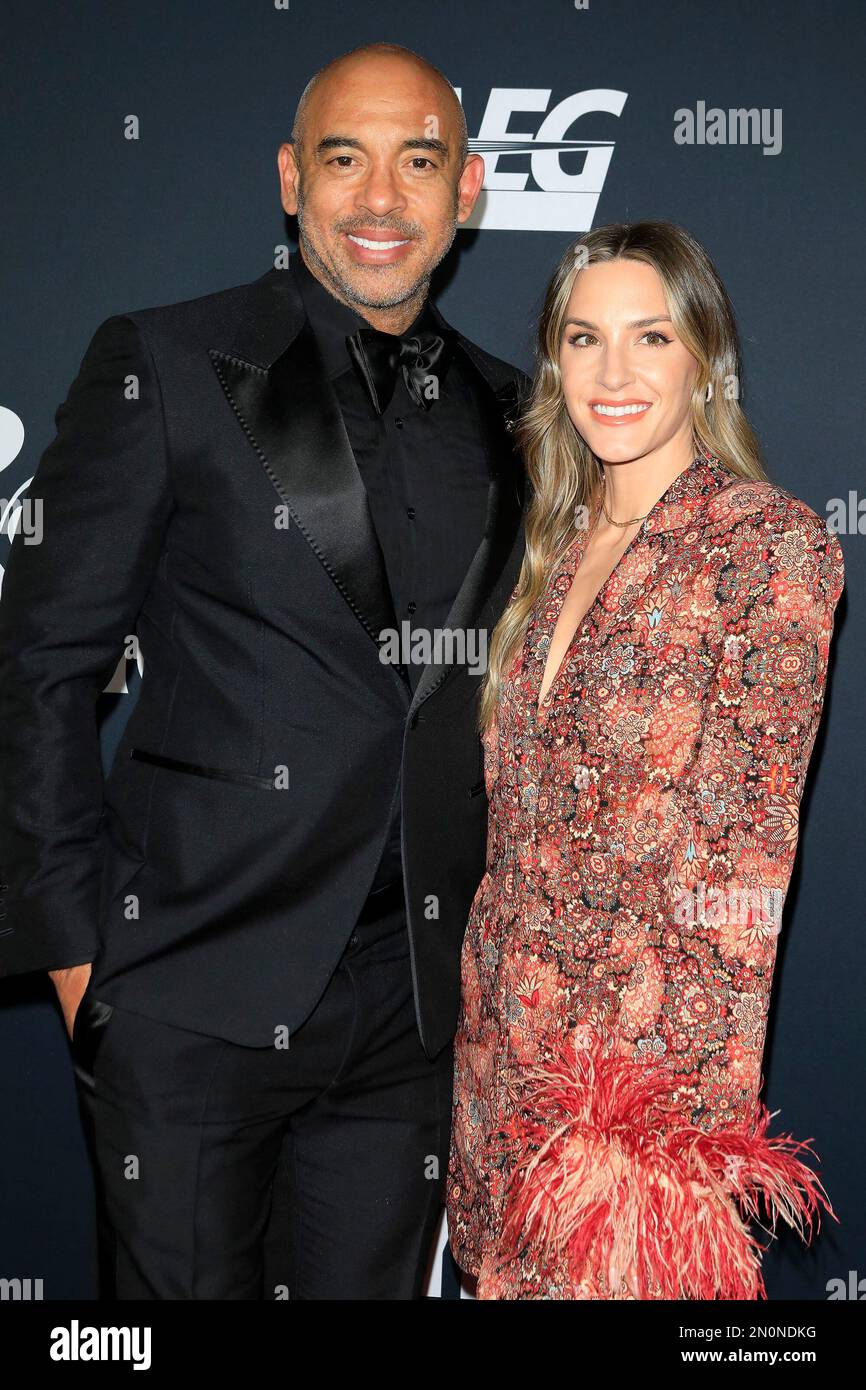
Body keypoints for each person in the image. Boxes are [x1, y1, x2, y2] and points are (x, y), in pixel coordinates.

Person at [0, 42, 529, 1299]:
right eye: (344, 158)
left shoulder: (520, 415)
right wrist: (84, 971)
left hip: (411, 1019)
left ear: (470, 193)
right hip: (188, 991)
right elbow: (39, 666)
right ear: (292, 181)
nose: (381, 197)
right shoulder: (166, 364)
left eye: (420, 159)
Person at [446, 221, 845, 1300]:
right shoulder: (548, 547)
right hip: (496, 1084)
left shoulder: (763, 545)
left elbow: (744, 860)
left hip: (625, 1122)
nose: (612, 372)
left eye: (650, 337)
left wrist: (660, 1148)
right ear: (552, 361)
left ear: (703, 358)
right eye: (583, 338)